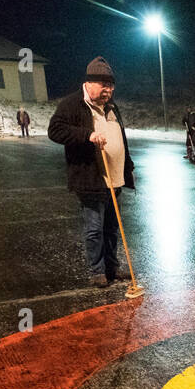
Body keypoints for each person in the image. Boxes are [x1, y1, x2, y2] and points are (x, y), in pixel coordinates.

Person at [47, 56, 135, 288]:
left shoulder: (112, 106)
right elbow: (55, 131)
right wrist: (87, 135)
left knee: (111, 228)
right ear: (89, 83)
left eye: (111, 86)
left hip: (114, 178)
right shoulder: (72, 103)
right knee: (95, 228)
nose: (109, 90)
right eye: (105, 86)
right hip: (91, 178)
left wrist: (128, 165)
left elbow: (120, 138)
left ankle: (112, 267)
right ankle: (98, 270)